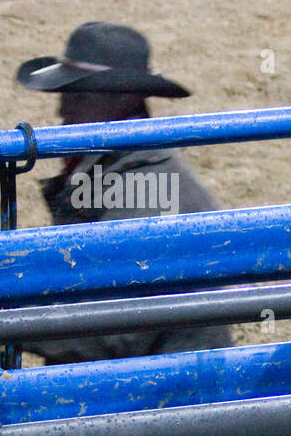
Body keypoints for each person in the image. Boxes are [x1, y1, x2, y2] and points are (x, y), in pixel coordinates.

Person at [14, 21, 232, 364]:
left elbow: (108, 334)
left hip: (160, 397)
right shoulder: (133, 165)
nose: (61, 111)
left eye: (79, 97)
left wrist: (7, 315)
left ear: (125, 99)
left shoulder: (145, 193)